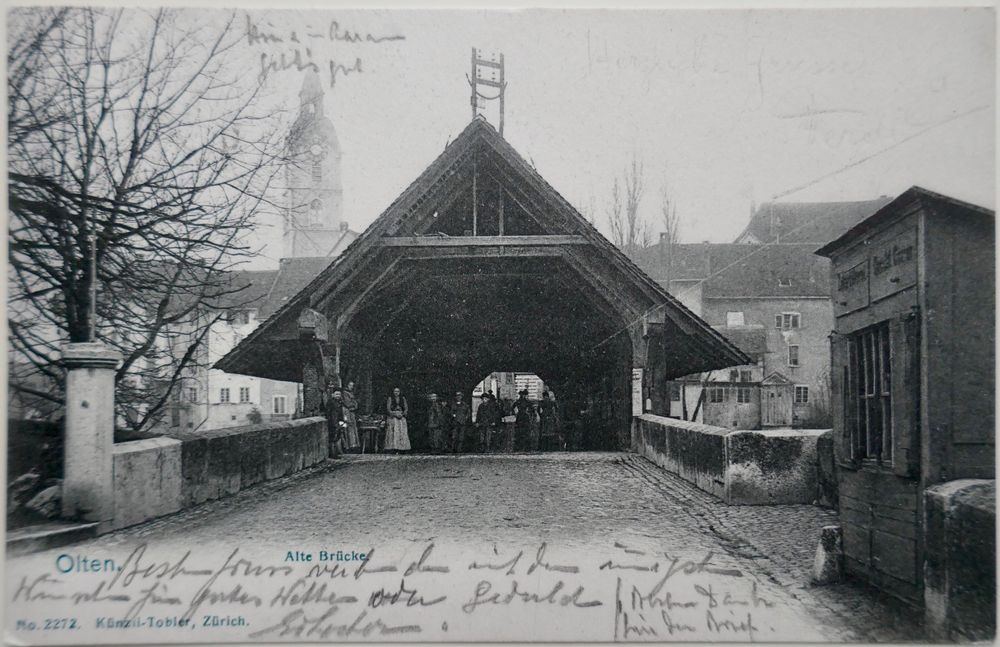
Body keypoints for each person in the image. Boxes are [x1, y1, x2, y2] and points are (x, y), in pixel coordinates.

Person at [384, 387, 411, 453]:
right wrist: (394, 414)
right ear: (393, 392)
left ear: (399, 392)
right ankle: (393, 448)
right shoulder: (390, 398)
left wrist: (403, 414)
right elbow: (388, 409)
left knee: (401, 432)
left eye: (398, 391)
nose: (396, 393)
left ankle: (402, 448)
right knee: (394, 431)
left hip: (401, 416)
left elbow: (406, 408)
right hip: (393, 416)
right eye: (395, 391)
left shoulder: (403, 398)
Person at [325, 387, 347, 457]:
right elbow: (328, 413)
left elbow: (341, 413)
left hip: (338, 421)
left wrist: (342, 421)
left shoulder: (340, 402)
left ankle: (336, 452)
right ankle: (333, 453)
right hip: (332, 422)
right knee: (333, 438)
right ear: (333, 395)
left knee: (338, 437)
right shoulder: (330, 402)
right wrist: (331, 421)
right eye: (336, 394)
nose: (338, 396)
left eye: (339, 394)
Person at [341, 380, 361, 452]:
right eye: (350, 385)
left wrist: (355, 405)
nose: (351, 387)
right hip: (347, 412)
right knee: (348, 427)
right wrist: (354, 404)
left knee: (353, 427)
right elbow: (348, 404)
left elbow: (355, 404)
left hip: (351, 412)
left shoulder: (351, 393)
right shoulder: (345, 393)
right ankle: (348, 446)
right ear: (347, 385)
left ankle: (353, 445)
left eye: (352, 385)